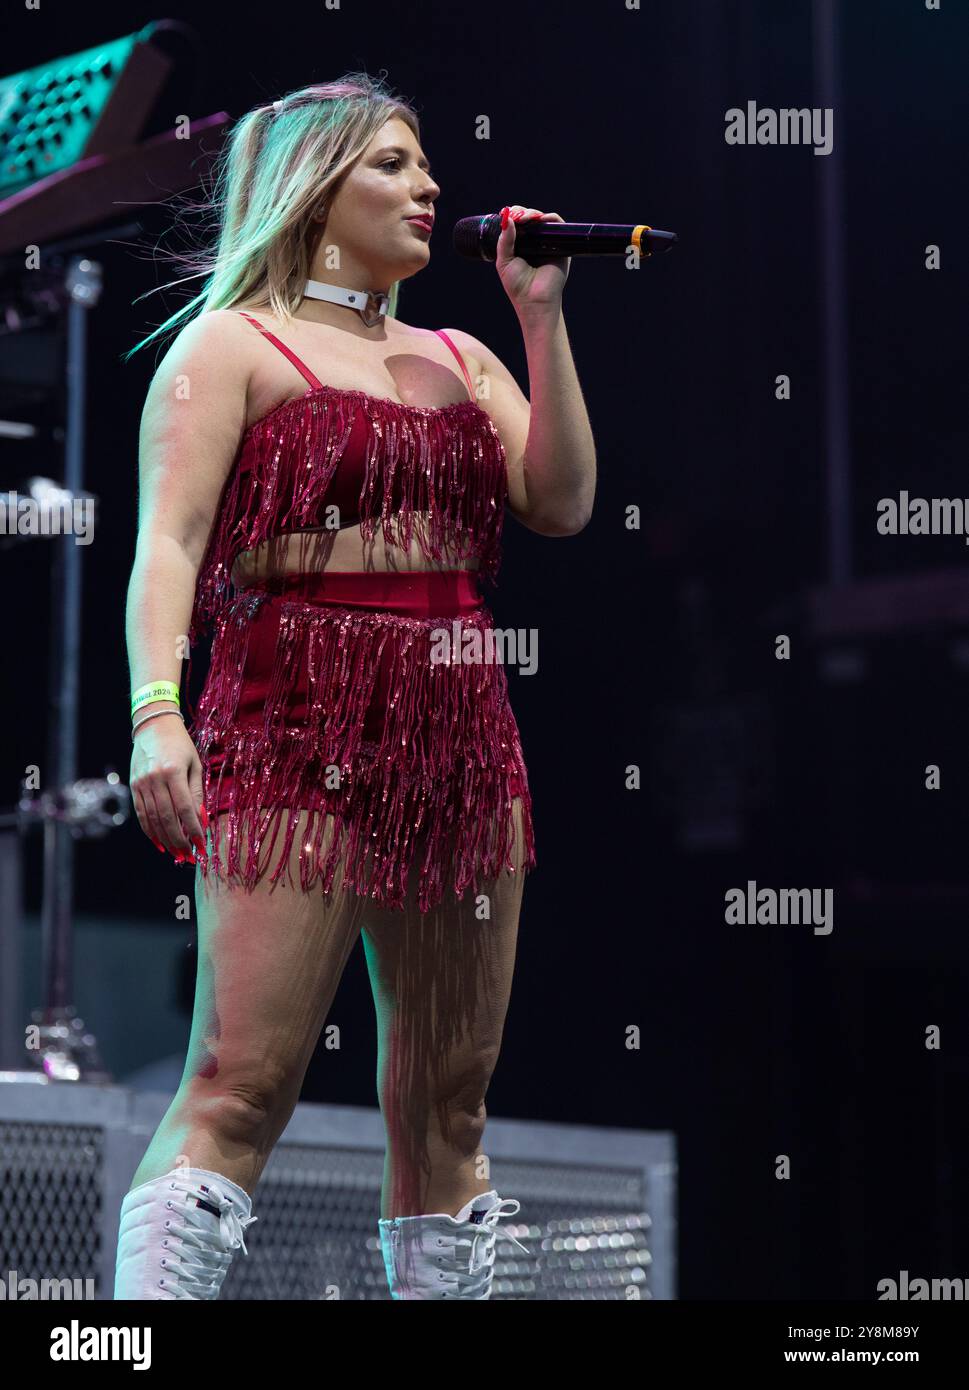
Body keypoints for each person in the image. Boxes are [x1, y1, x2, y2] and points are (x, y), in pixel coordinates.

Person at [115, 71, 595, 1301]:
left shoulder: (458, 353)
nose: (430, 185)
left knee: (448, 1101)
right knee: (241, 1079)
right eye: (392, 163)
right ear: (314, 187)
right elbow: (165, 545)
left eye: (428, 163)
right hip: (292, 713)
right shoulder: (232, 343)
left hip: (460, 724)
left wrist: (542, 323)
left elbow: (561, 503)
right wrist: (156, 713)